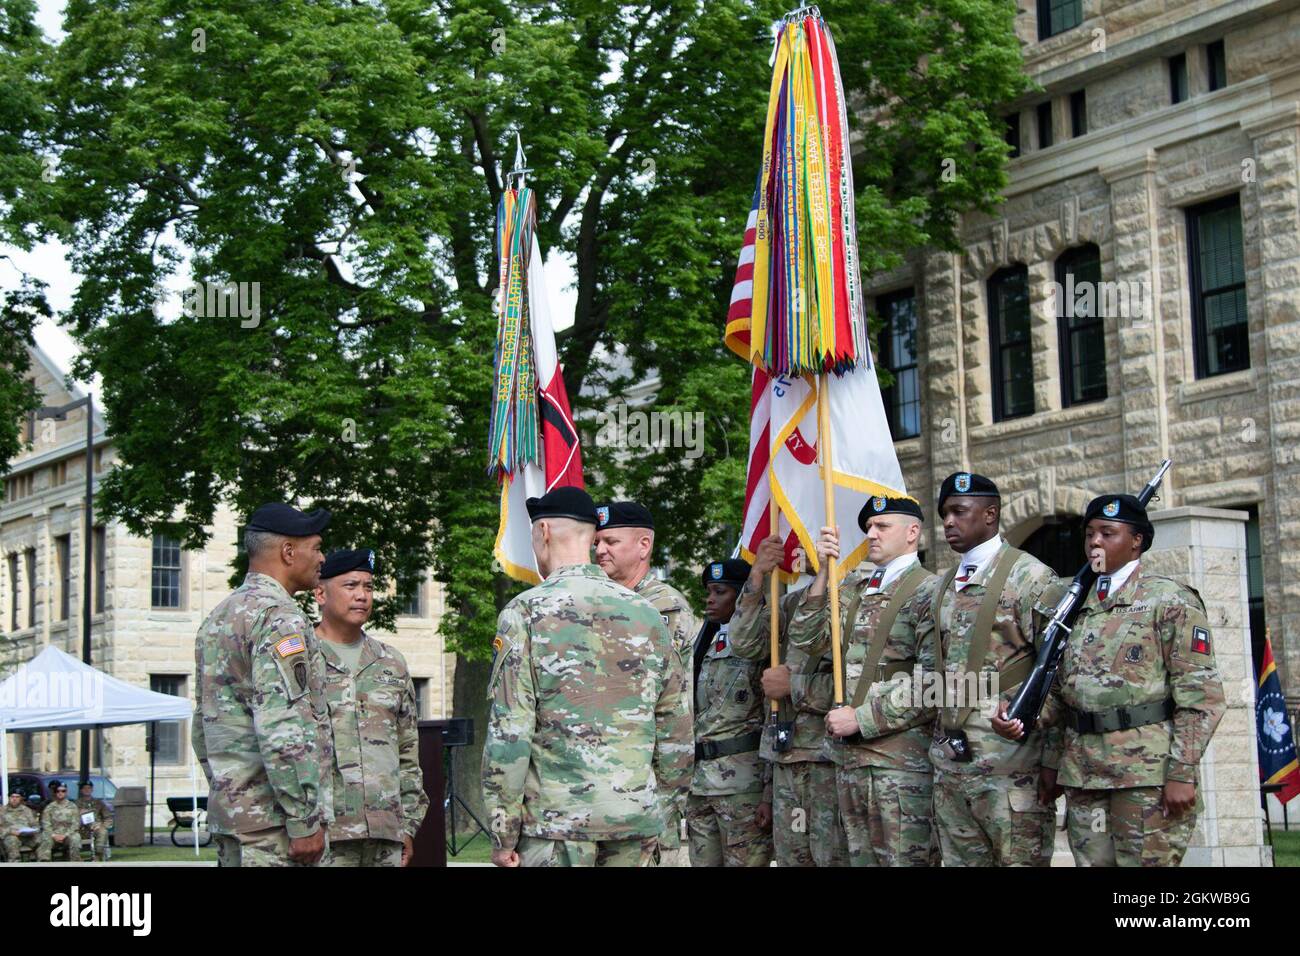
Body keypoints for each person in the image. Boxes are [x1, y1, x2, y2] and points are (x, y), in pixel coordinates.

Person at [993, 494, 1226, 866]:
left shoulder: (1168, 600)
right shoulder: (1072, 606)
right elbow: (1059, 693)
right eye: (1089, 534)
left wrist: (1182, 772)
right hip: (1084, 775)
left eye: (1108, 533)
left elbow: (1202, 697)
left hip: (1144, 776)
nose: (1095, 542)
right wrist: (1023, 718)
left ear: (1137, 541)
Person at [482, 486, 692, 867]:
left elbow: (510, 731)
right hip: (633, 823)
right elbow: (676, 728)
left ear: (543, 532)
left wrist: (502, 830)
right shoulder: (646, 614)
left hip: (556, 828)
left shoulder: (525, 612)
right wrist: (658, 810)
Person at [789, 495, 941, 866]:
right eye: (868, 527)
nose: (870, 534)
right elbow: (806, 638)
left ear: (913, 532)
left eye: (881, 526)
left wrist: (862, 718)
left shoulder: (931, 590)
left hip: (899, 765)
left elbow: (934, 682)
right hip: (849, 761)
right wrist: (824, 573)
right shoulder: (856, 589)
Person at [928, 472, 1064, 867]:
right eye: (944, 514)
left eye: (959, 511)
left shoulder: (1031, 578)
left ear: (990, 515)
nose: (949, 522)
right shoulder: (944, 586)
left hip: (1011, 770)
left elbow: (1059, 669)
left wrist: (1050, 755)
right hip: (953, 769)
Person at [192, 502, 334, 867]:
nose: (322, 558)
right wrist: (303, 819)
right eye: (316, 547)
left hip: (235, 818)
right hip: (276, 830)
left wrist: (230, 788)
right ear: (288, 552)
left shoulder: (219, 617)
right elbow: (283, 726)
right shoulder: (281, 618)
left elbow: (202, 726)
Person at [729, 533, 847, 866]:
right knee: (793, 859)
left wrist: (794, 687)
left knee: (831, 857)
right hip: (785, 757)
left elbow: (858, 687)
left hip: (829, 761)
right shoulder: (791, 603)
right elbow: (745, 644)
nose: (795, 546)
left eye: (807, 537)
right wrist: (756, 576)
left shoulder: (853, 601)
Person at [593, 500, 697, 866]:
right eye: (597, 542)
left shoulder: (662, 607)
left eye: (610, 541)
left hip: (646, 782)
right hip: (604, 780)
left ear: (643, 546)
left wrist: (667, 800)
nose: (600, 550)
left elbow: (672, 706)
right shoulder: (600, 603)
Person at [313, 547, 429, 867]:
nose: (362, 596)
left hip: (385, 835)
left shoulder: (390, 662)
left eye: (368, 587)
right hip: (324, 836)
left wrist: (408, 825)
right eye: (350, 586)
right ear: (320, 593)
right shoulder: (300, 659)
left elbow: (407, 750)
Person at [686, 557, 773, 867]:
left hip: (742, 785)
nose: (710, 598)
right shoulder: (705, 640)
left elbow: (771, 716)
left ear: (742, 594)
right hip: (701, 783)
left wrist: (769, 791)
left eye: (720, 591)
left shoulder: (761, 639)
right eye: (709, 590)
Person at [37, 783, 80, 862]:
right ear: (55, 792)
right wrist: (54, 835)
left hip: (68, 834)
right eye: (58, 791)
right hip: (53, 835)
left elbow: (75, 824)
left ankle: (75, 862)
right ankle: (44, 862)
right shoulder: (49, 807)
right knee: (45, 838)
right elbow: (46, 824)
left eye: (63, 791)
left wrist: (65, 835)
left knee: (76, 838)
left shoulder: (73, 806)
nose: (60, 793)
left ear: (66, 792)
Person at [75, 780, 113, 862]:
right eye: (85, 788)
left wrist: (102, 826)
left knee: (103, 832)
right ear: (81, 790)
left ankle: (98, 855)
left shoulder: (99, 803)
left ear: (92, 789)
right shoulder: (75, 804)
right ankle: (76, 858)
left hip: (96, 828)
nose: (87, 790)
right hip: (81, 830)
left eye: (89, 788)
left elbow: (108, 817)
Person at [1, 790, 39, 862]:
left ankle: (43, 862)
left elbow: (35, 825)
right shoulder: (2, 811)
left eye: (17, 797)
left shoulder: (27, 810)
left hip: (27, 836)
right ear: (9, 798)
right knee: (12, 841)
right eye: (12, 797)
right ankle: (14, 863)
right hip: (10, 836)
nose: (14, 799)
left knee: (43, 840)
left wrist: (31, 830)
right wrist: (10, 831)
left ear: (21, 798)